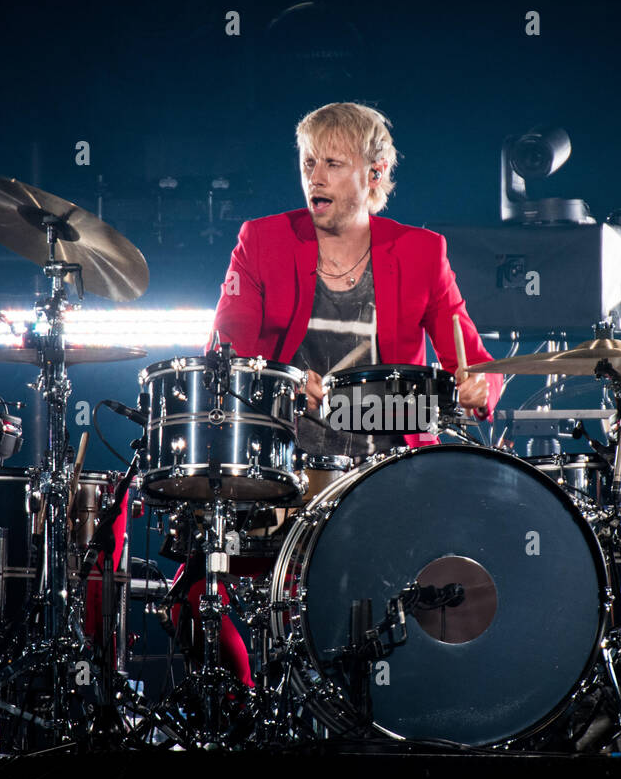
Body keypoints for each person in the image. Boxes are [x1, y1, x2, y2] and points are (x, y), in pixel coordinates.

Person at [171, 101, 504, 688]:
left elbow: (474, 360)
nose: (313, 176)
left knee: (429, 594)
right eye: (307, 162)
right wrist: (281, 381)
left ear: (373, 175)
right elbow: (222, 358)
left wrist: (479, 384)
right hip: (283, 469)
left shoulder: (422, 252)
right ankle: (250, 711)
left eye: (331, 162)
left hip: (390, 471)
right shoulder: (263, 241)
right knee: (195, 595)